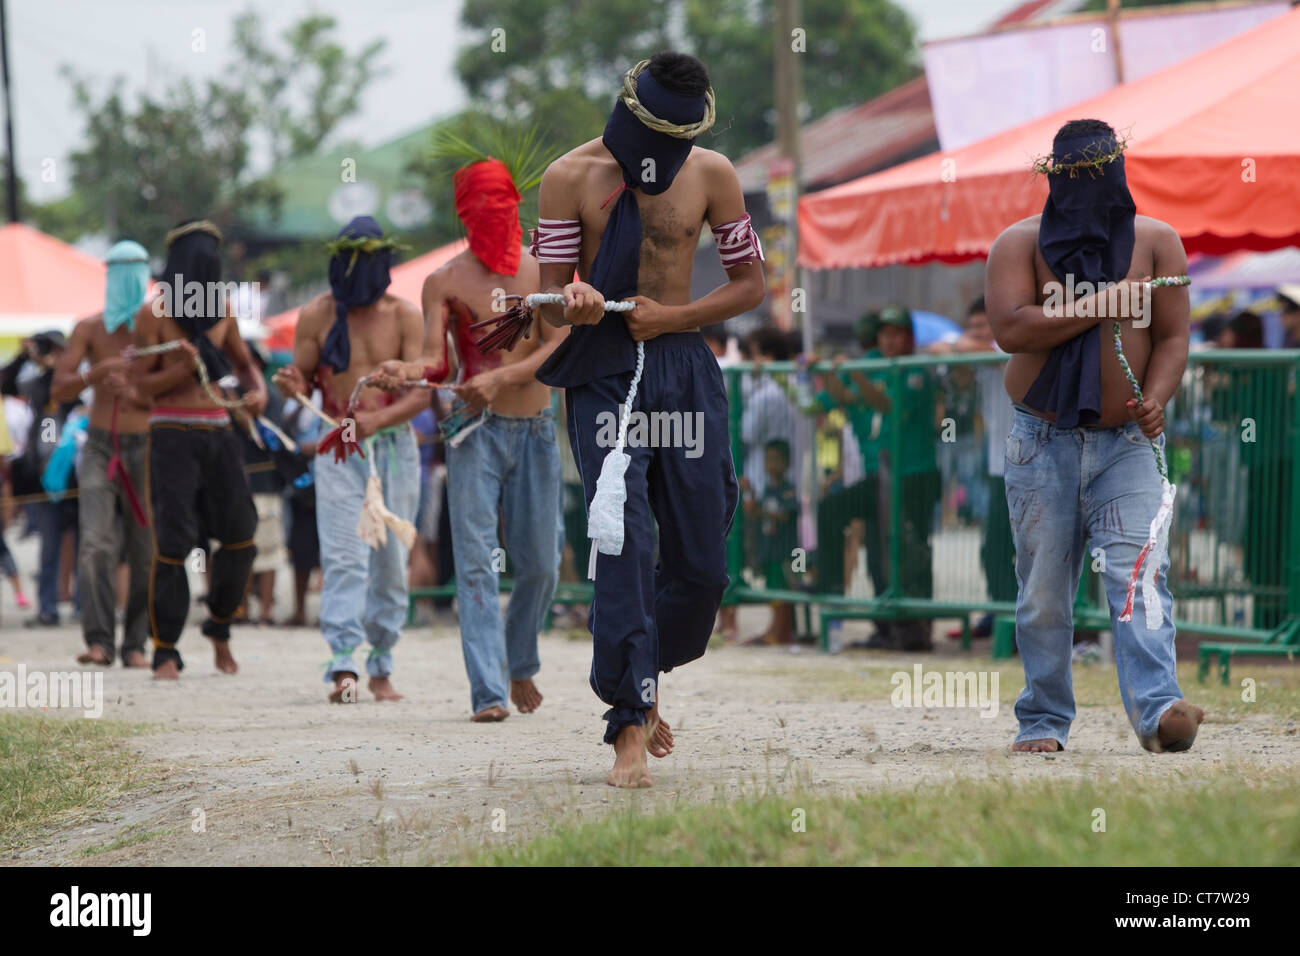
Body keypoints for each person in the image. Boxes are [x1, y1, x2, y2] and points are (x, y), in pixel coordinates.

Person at [530, 51, 765, 786]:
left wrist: (677, 316)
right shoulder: (568, 178)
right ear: (628, 113)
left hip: (684, 367)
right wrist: (574, 300)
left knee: (702, 565)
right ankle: (628, 721)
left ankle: (645, 669)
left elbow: (753, 283)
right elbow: (544, 308)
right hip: (603, 372)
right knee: (624, 542)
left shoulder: (713, 174)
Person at [985, 118, 1202, 753]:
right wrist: (1104, 302)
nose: (1088, 187)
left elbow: (1173, 336)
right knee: (1045, 592)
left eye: (1097, 173)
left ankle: (1160, 712)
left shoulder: (1158, 241)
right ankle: (1043, 721)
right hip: (1042, 440)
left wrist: (1157, 398)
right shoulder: (1018, 243)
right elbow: (1013, 329)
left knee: (1140, 577)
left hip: (1127, 445)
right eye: (1073, 177)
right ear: (1051, 177)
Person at [374, 152, 568, 721]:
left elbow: (561, 344)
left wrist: (504, 376)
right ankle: (487, 691)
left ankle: (519, 658)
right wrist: (404, 371)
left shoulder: (540, 271)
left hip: (534, 427)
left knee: (541, 562)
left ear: (516, 204)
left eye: (502, 204)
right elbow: (436, 361)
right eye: (480, 206)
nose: (492, 214)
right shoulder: (444, 281)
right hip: (471, 434)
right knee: (477, 561)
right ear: (464, 214)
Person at [272, 216, 424, 703]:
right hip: (338, 445)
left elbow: (422, 397)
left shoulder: (404, 315)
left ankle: (381, 661)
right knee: (342, 554)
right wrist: (294, 384)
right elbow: (304, 380)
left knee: (390, 559)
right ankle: (343, 661)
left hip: (393, 449)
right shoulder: (316, 315)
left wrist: (377, 422)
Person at [131, 220, 268, 679]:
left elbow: (249, 370)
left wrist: (257, 395)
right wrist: (183, 369)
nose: (206, 265)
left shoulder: (223, 309)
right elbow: (139, 387)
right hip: (171, 435)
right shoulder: (153, 314)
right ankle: (165, 649)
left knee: (242, 537)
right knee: (173, 542)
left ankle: (220, 627)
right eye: (198, 257)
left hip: (219, 433)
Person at [51, 240, 154, 666]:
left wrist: (136, 390)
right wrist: (97, 373)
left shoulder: (158, 326)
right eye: (118, 271)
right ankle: (99, 641)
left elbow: (182, 383)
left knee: (146, 547)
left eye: (134, 270)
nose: (125, 280)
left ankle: (135, 644)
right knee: (95, 543)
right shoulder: (89, 328)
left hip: (147, 445)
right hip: (98, 445)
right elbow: (59, 386)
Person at [1, 331, 77, 626]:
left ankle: (84, 604)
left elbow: (72, 398)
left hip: (75, 473)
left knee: (85, 542)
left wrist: (63, 366)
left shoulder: (78, 377)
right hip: (42, 476)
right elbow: (7, 386)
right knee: (49, 544)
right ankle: (48, 607)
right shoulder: (36, 382)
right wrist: (24, 357)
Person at [739, 438, 799, 644]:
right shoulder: (766, 489)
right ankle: (777, 630)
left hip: (786, 551)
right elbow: (757, 513)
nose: (771, 464)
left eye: (776, 460)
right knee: (774, 590)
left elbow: (785, 515)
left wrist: (761, 511)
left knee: (784, 590)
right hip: (770, 550)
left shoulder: (788, 489)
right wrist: (749, 493)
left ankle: (781, 631)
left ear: (786, 463)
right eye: (768, 460)